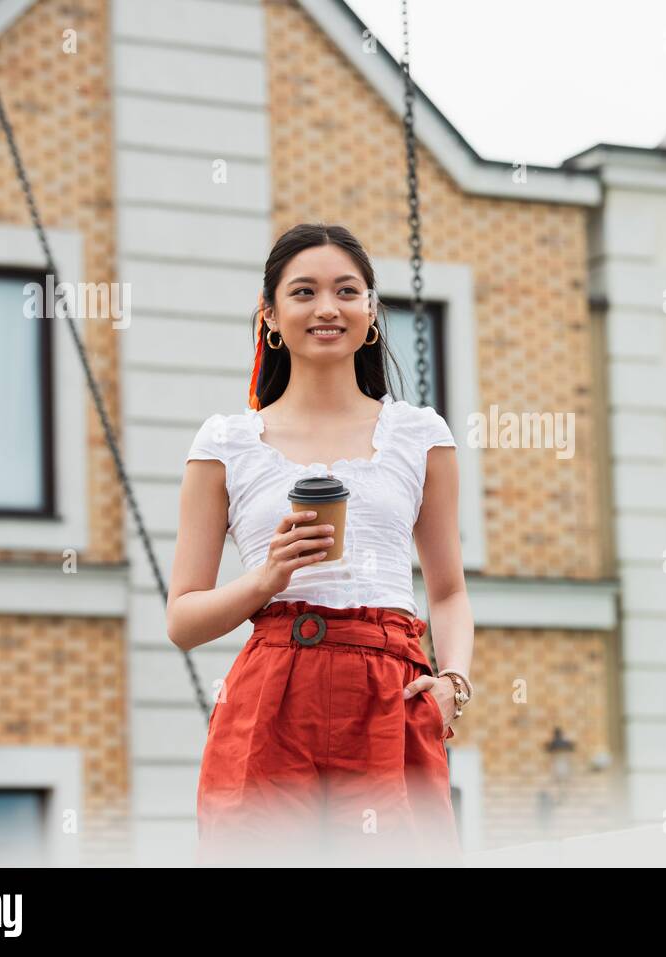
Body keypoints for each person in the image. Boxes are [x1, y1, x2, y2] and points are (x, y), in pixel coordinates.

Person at [167, 223, 474, 866]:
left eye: (347, 290)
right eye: (303, 292)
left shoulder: (420, 434)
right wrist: (264, 580)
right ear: (271, 317)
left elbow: (447, 592)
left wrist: (454, 682)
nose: (327, 307)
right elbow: (182, 619)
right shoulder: (225, 443)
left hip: (391, 688)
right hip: (273, 691)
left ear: (371, 312)